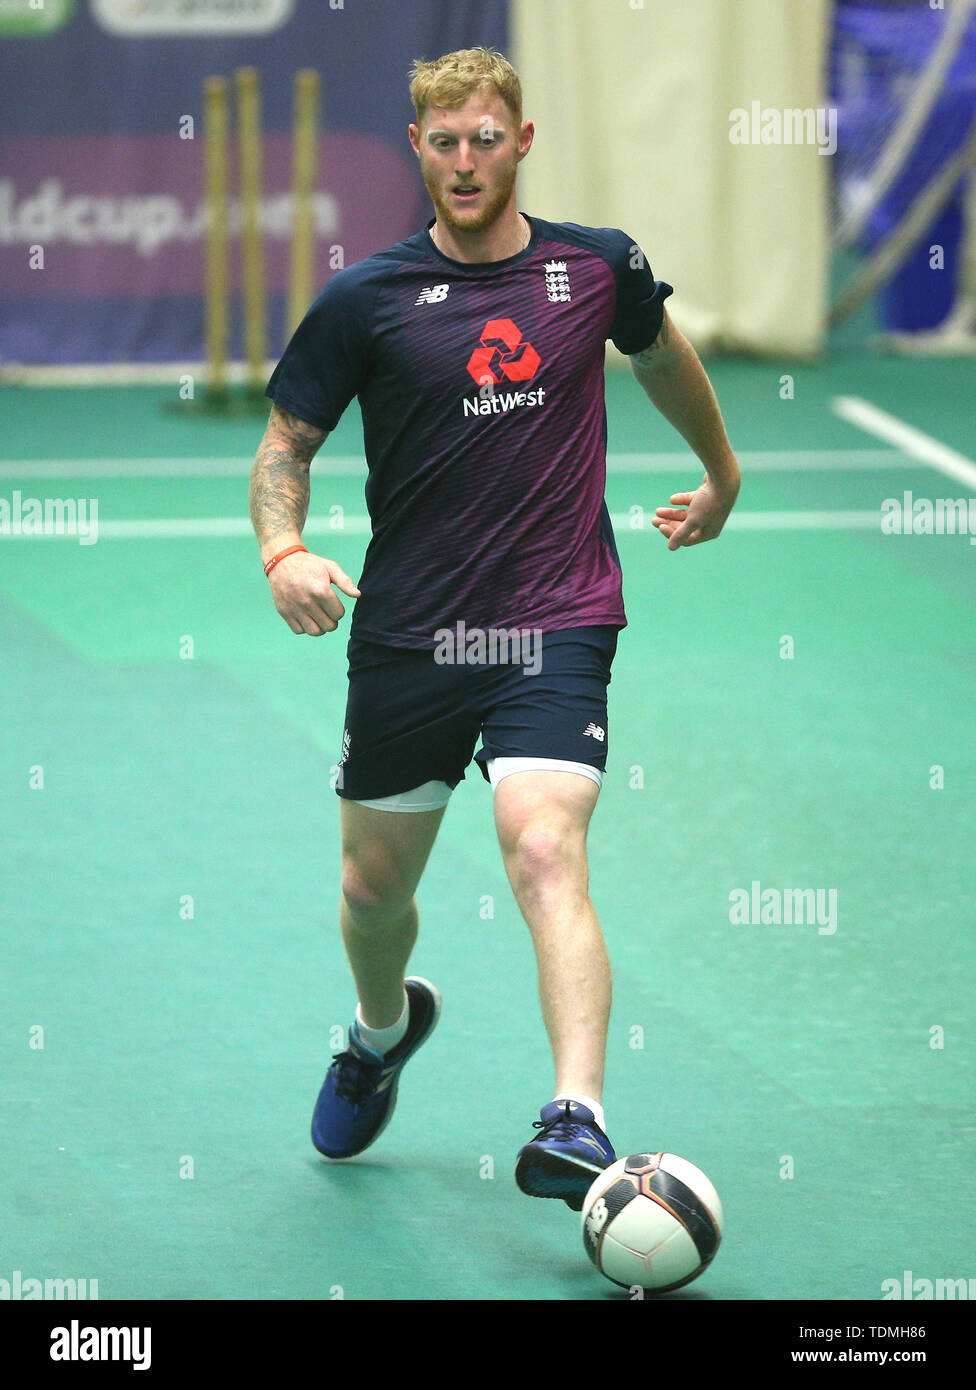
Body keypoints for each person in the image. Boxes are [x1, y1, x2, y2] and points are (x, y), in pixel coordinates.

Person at [249, 46, 740, 1210]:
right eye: (441, 141)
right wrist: (284, 550)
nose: (464, 161)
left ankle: (576, 1115)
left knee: (542, 847)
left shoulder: (594, 266)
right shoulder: (364, 298)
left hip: (555, 616)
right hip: (412, 632)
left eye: (484, 138)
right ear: (416, 149)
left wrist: (719, 473)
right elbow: (285, 447)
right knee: (374, 889)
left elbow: (659, 352)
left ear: (521, 143)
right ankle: (379, 1033)